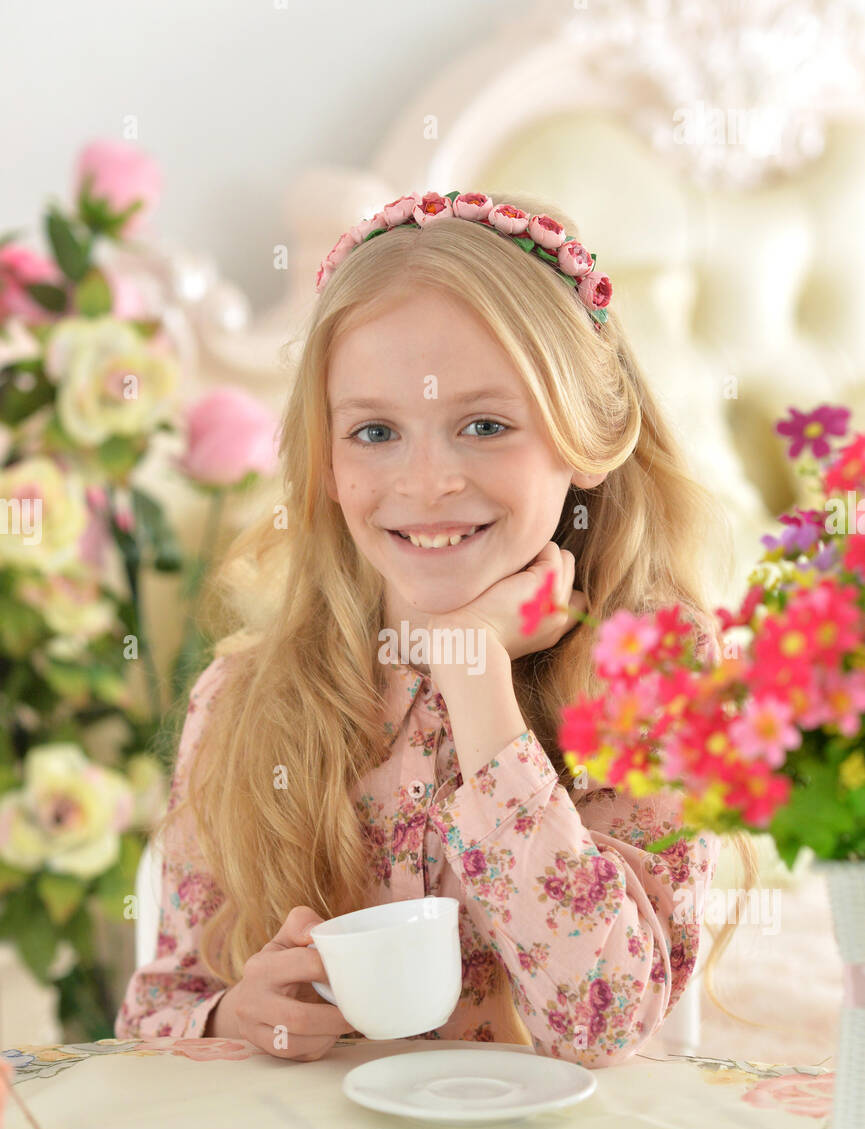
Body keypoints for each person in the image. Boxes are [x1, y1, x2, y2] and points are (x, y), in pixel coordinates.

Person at [115, 189, 753, 1064]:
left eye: (483, 425)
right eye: (375, 431)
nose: (426, 482)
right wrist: (235, 1015)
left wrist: (475, 675)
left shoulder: (650, 675)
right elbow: (156, 1016)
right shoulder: (241, 703)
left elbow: (599, 1022)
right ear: (327, 464)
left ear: (584, 438)